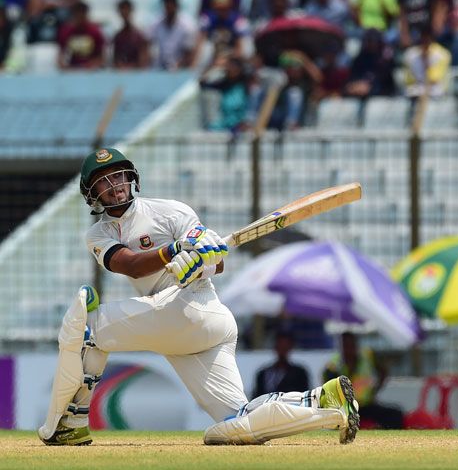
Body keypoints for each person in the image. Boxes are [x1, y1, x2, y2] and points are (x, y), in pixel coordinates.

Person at [38, 148, 359, 446]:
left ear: (131, 177)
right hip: (181, 326)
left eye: (119, 175)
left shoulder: (171, 212)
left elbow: (217, 263)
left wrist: (202, 259)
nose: (115, 185)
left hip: (194, 306)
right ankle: (323, 402)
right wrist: (174, 251)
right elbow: (131, 266)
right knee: (235, 424)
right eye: (104, 181)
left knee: (86, 325)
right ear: (92, 194)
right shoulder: (98, 234)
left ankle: (70, 423)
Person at [323, 333, 404, 430]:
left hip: (366, 405)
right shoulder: (334, 365)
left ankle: (384, 437)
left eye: (351, 345)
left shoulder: (367, 357)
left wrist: (375, 390)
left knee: (395, 414)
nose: (349, 349)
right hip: (345, 408)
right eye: (346, 346)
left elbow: (383, 371)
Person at [253, 332, 311, 399]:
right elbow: (257, 397)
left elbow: (304, 396)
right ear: (275, 347)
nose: (282, 350)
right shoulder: (263, 373)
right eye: (280, 346)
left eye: (285, 347)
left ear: (290, 348)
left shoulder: (299, 373)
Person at [57, 1, 105, 69]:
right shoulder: (66, 31)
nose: (80, 18)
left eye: (82, 15)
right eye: (77, 15)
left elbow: (102, 57)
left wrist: (92, 65)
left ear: (86, 14)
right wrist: (63, 66)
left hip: (91, 69)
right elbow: (61, 54)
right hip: (73, 68)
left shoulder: (95, 31)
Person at [111, 0, 150, 69]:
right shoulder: (117, 36)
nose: (125, 12)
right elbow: (115, 60)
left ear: (131, 11)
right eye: (122, 9)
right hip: (121, 75)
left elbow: (144, 61)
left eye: (127, 9)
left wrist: (130, 67)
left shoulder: (140, 35)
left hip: (137, 74)